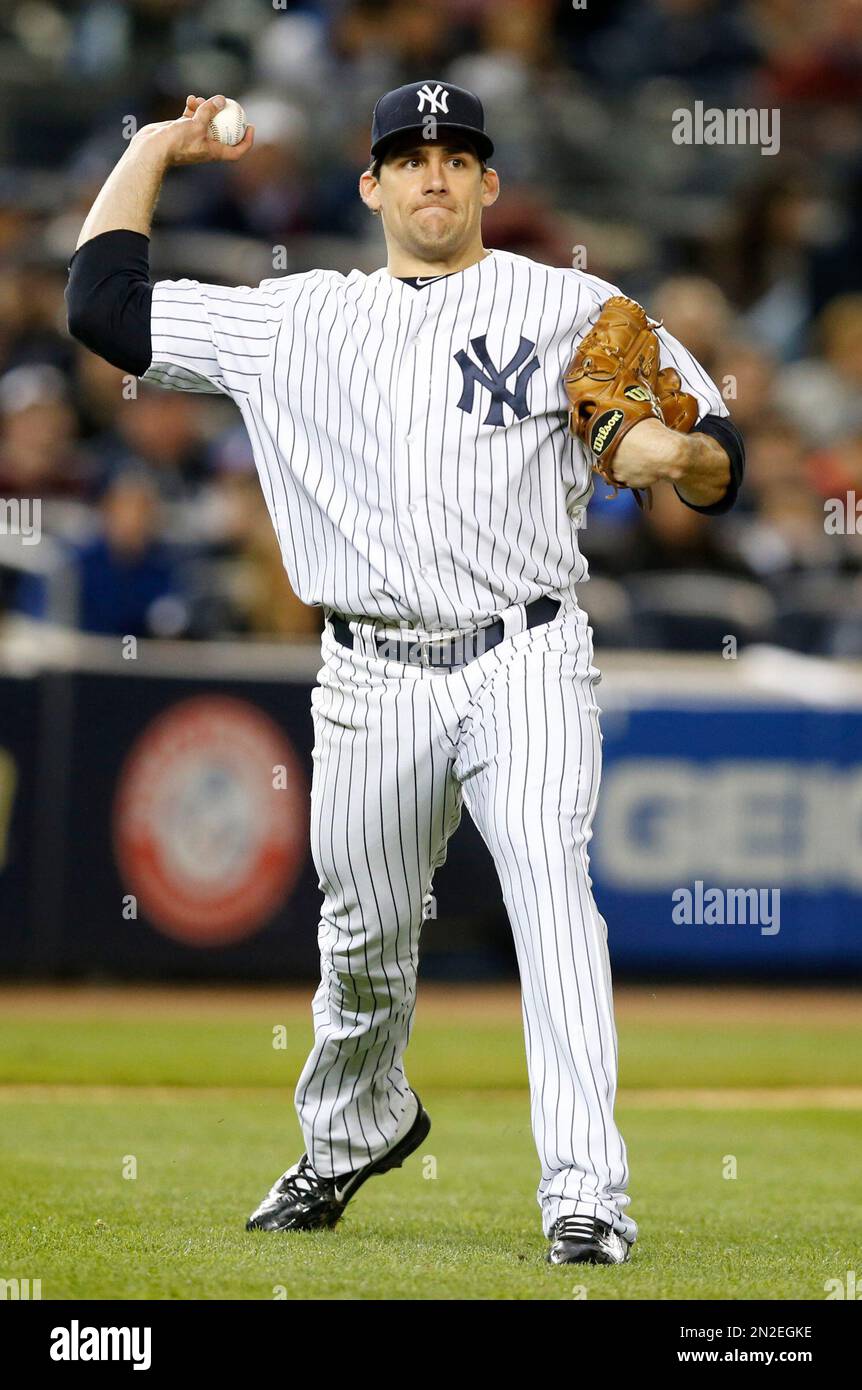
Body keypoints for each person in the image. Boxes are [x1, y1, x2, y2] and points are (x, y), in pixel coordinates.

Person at [66, 81, 744, 1266]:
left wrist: (673, 451)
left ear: (488, 183)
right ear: (372, 184)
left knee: (551, 890)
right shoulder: (296, 321)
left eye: (457, 154)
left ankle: (585, 1195)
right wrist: (158, 147)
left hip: (522, 653)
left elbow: (718, 458)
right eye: (409, 155)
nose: (434, 172)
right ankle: (350, 1132)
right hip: (368, 675)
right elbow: (102, 304)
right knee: (364, 940)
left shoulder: (571, 306)